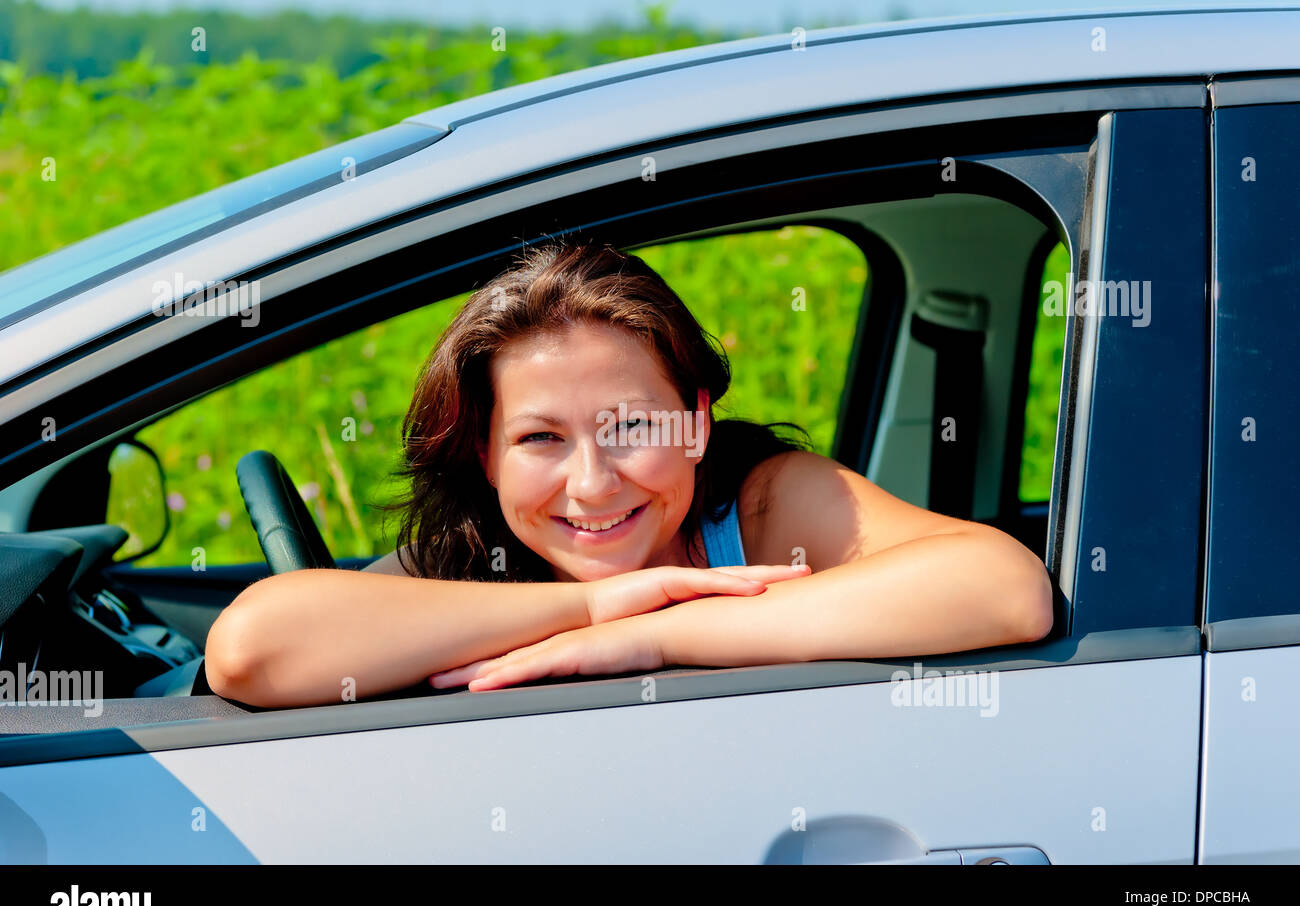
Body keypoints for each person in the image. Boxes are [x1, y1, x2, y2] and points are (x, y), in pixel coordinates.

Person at [205, 239, 1053, 708]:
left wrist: (652, 635)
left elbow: (1004, 588)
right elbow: (250, 652)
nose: (593, 484)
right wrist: (590, 604)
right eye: (540, 438)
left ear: (696, 420)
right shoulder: (480, 551)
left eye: (634, 426)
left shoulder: (762, 506)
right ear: (484, 453)